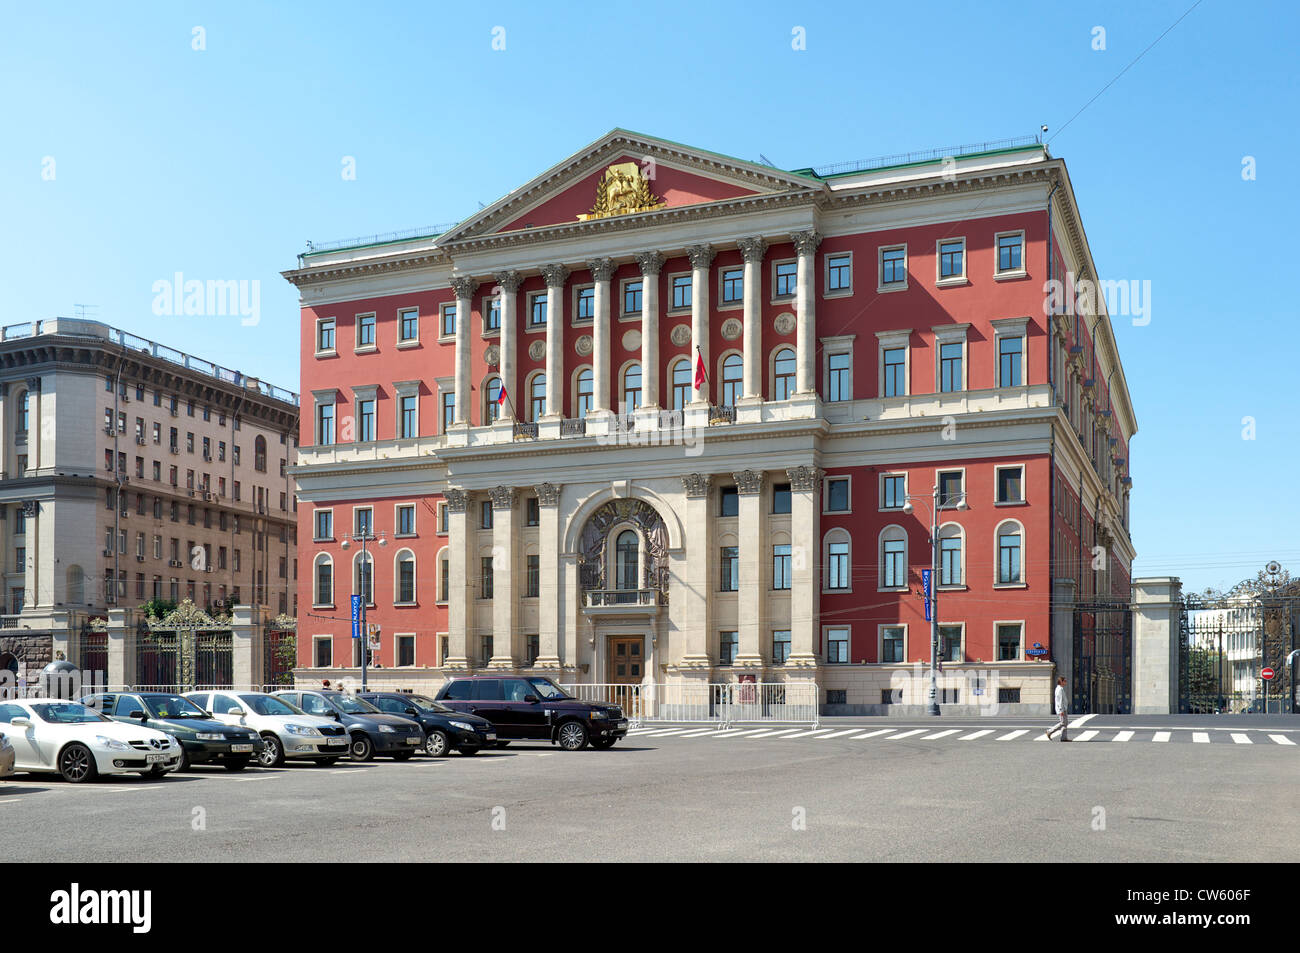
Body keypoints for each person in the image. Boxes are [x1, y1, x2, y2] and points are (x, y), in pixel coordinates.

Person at [1044, 676, 1070, 742]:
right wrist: (1061, 710)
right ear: (1061, 681)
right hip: (1062, 709)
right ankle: (1049, 732)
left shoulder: (1060, 688)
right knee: (1062, 723)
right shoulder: (1059, 689)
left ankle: (1064, 738)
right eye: (1064, 681)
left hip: (1063, 708)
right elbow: (1059, 700)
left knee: (1065, 723)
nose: (1065, 682)